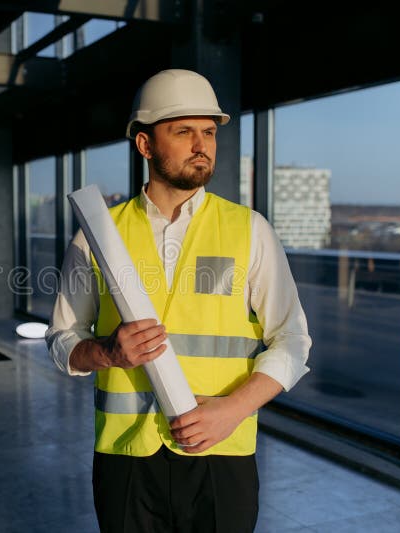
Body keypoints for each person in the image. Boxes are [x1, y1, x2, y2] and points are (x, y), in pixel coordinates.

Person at [46, 69, 311, 533]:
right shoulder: (97, 236)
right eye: (183, 131)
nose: (201, 145)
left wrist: (231, 411)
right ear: (145, 145)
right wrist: (107, 351)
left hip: (220, 454)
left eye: (208, 132)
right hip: (126, 458)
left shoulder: (249, 230)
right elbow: (61, 339)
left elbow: (292, 340)